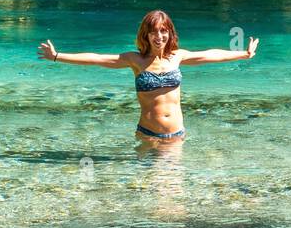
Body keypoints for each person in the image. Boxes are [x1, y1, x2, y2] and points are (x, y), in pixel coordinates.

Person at [37, 9, 258, 143]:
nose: (159, 36)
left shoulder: (178, 56)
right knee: (147, 187)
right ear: (146, 34)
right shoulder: (135, 60)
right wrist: (57, 56)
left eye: (163, 31)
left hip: (176, 135)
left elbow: (211, 55)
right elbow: (96, 58)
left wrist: (244, 54)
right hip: (147, 134)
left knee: (172, 187)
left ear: (169, 33)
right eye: (154, 31)